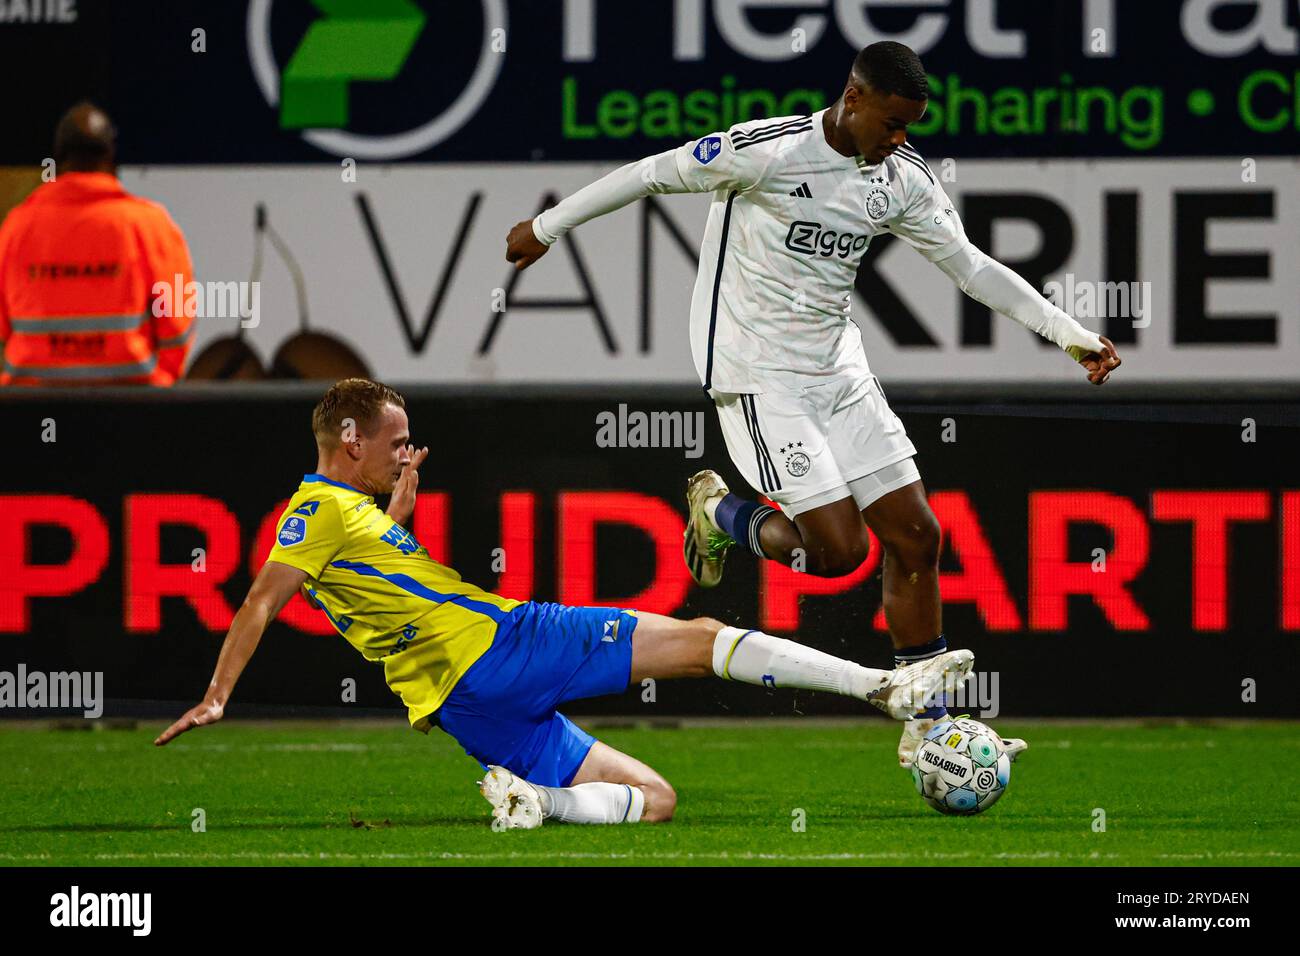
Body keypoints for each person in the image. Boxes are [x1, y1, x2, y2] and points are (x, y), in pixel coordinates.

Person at [505, 41, 1122, 768]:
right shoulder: (764, 151)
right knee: (837, 553)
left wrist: (1069, 334)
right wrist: (545, 229)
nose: (901, 140)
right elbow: (648, 174)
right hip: (759, 374)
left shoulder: (900, 179)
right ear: (853, 98)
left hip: (838, 370)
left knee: (918, 538)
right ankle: (722, 515)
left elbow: (972, 267)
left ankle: (931, 724)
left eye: (911, 127)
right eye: (892, 123)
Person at [154, 378, 973, 830]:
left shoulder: (352, 516)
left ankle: (532, 802)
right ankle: (883, 687)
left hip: (460, 706)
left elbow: (362, 570)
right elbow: (263, 599)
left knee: (655, 803)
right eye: (396, 440)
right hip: (504, 643)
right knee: (702, 636)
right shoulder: (318, 511)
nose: (407, 450)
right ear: (350, 443)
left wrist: (399, 507)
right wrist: (218, 695)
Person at [0, 102, 194, 386]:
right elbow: (177, 325)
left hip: (32, 411)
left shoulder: (17, 228)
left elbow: (3, 328)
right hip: (132, 408)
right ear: (110, 155)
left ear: (58, 158)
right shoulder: (150, 226)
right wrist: (158, 381)